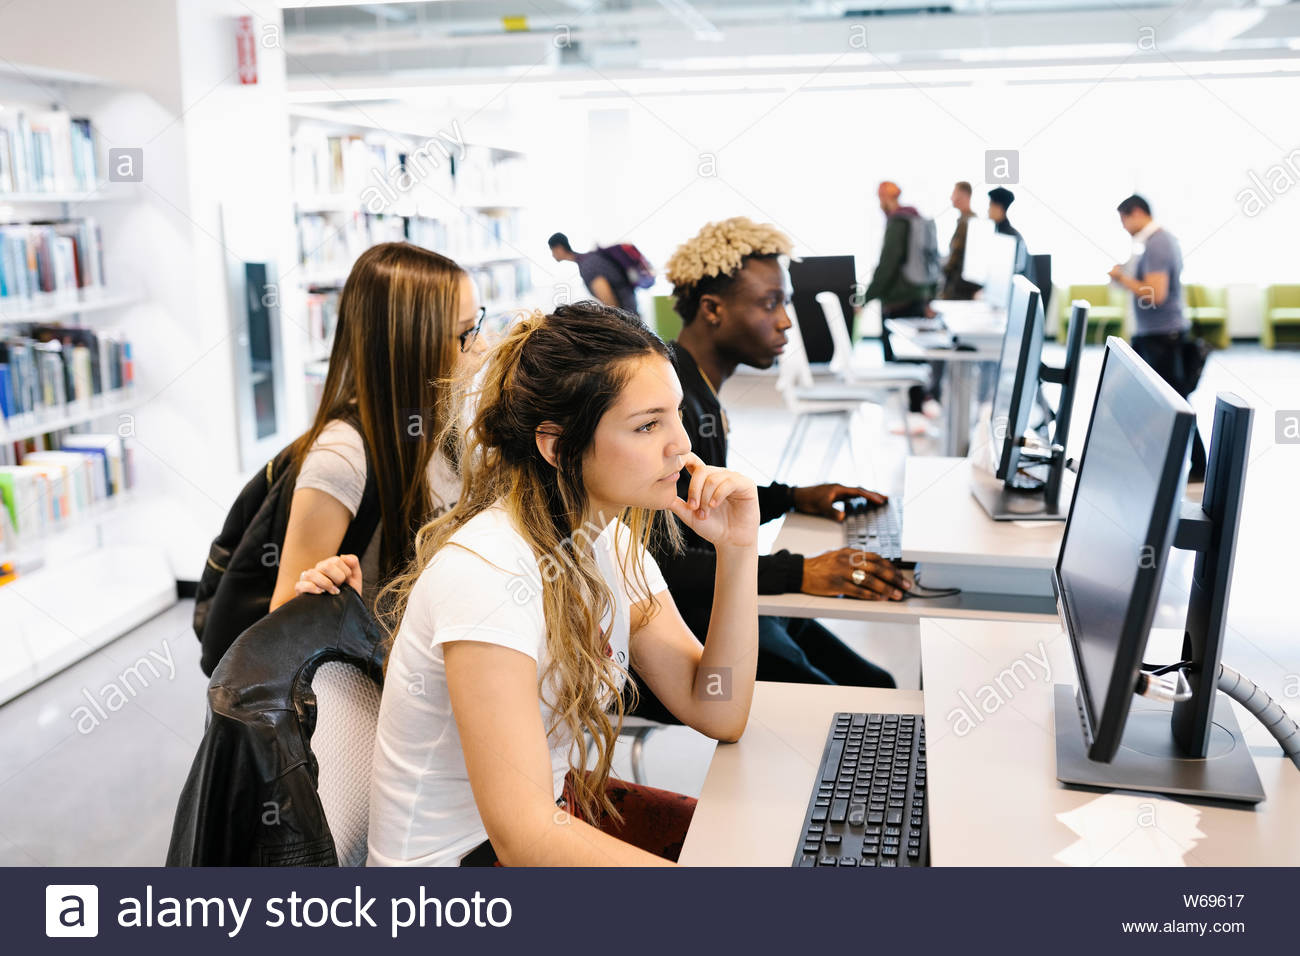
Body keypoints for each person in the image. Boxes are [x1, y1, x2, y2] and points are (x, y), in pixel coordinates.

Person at [298, 302, 760, 866]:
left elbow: (716, 709)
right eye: (647, 425)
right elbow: (526, 839)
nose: (682, 447)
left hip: (535, 829)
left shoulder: (608, 542)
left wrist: (737, 552)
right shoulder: (489, 576)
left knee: (751, 848)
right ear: (557, 445)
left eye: (677, 415)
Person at [629, 216, 904, 716]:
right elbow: (656, 561)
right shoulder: (672, 401)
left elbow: (700, 494)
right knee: (851, 704)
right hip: (690, 616)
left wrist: (793, 497)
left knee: (878, 684)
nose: (786, 321)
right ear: (712, 309)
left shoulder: (696, 388)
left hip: (719, 594)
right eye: (769, 303)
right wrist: (797, 571)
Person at [267, 241, 483, 616]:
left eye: (477, 323)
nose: (480, 346)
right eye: (465, 333)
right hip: (377, 672)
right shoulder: (341, 457)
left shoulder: (442, 424)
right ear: (412, 345)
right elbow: (283, 619)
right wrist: (324, 589)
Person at [1109, 194, 1207, 481]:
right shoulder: (1147, 244)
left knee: (1174, 402)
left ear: (1137, 213)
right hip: (1150, 334)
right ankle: (1158, 459)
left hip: (1163, 336)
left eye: (1124, 220)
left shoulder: (1159, 243)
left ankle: (1198, 465)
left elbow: (1156, 294)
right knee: (1159, 400)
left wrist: (1123, 278)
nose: (1124, 227)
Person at [860, 181, 936, 413]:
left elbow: (887, 265)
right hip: (920, 294)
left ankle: (911, 413)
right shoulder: (917, 218)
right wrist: (930, 296)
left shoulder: (897, 222)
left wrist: (865, 298)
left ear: (886, 197)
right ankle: (918, 407)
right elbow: (932, 259)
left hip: (899, 299)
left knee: (900, 359)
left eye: (879, 197)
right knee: (917, 356)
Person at [548, 232, 640, 317]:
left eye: (552, 250)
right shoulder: (589, 259)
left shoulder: (587, 265)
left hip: (627, 314)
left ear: (559, 248)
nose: (552, 255)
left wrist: (614, 322)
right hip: (631, 308)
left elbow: (607, 297)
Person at [941, 181, 982, 301]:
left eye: (954, 193)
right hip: (961, 286)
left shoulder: (967, 222)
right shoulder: (969, 220)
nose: (951, 197)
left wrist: (942, 269)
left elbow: (956, 254)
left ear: (964, 195)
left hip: (958, 288)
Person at [987, 186, 1032, 279]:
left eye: (990, 205)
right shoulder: (1001, 232)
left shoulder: (1009, 238)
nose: (988, 210)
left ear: (999, 208)